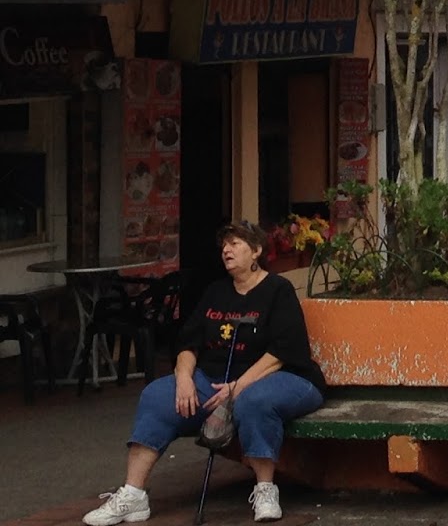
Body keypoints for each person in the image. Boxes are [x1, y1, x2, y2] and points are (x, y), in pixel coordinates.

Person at [83, 221, 325, 526]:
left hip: (282, 377)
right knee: (157, 396)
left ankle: (265, 489)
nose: (226, 250)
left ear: (256, 251)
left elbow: (283, 351)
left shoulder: (278, 290)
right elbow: (188, 342)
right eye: (224, 245)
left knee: (254, 401)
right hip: (214, 378)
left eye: (235, 244)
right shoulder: (216, 291)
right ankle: (133, 495)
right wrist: (184, 378)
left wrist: (237, 387)